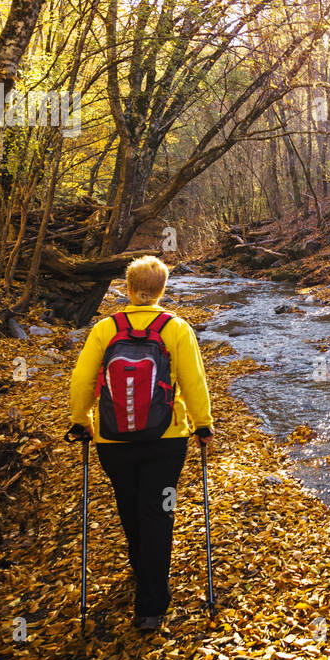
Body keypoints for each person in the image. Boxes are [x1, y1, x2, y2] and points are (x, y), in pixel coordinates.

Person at [68, 256, 214, 631]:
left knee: (129, 505)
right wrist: (203, 425)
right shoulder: (176, 327)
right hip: (166, 440)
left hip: (112, 440)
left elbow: (82, 379)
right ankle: (151, 603)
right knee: (159, 511)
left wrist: (80, 420)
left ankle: (140, 566)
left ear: (128, 288)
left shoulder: (105, 328)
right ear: (162, 290)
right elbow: (194, 382)